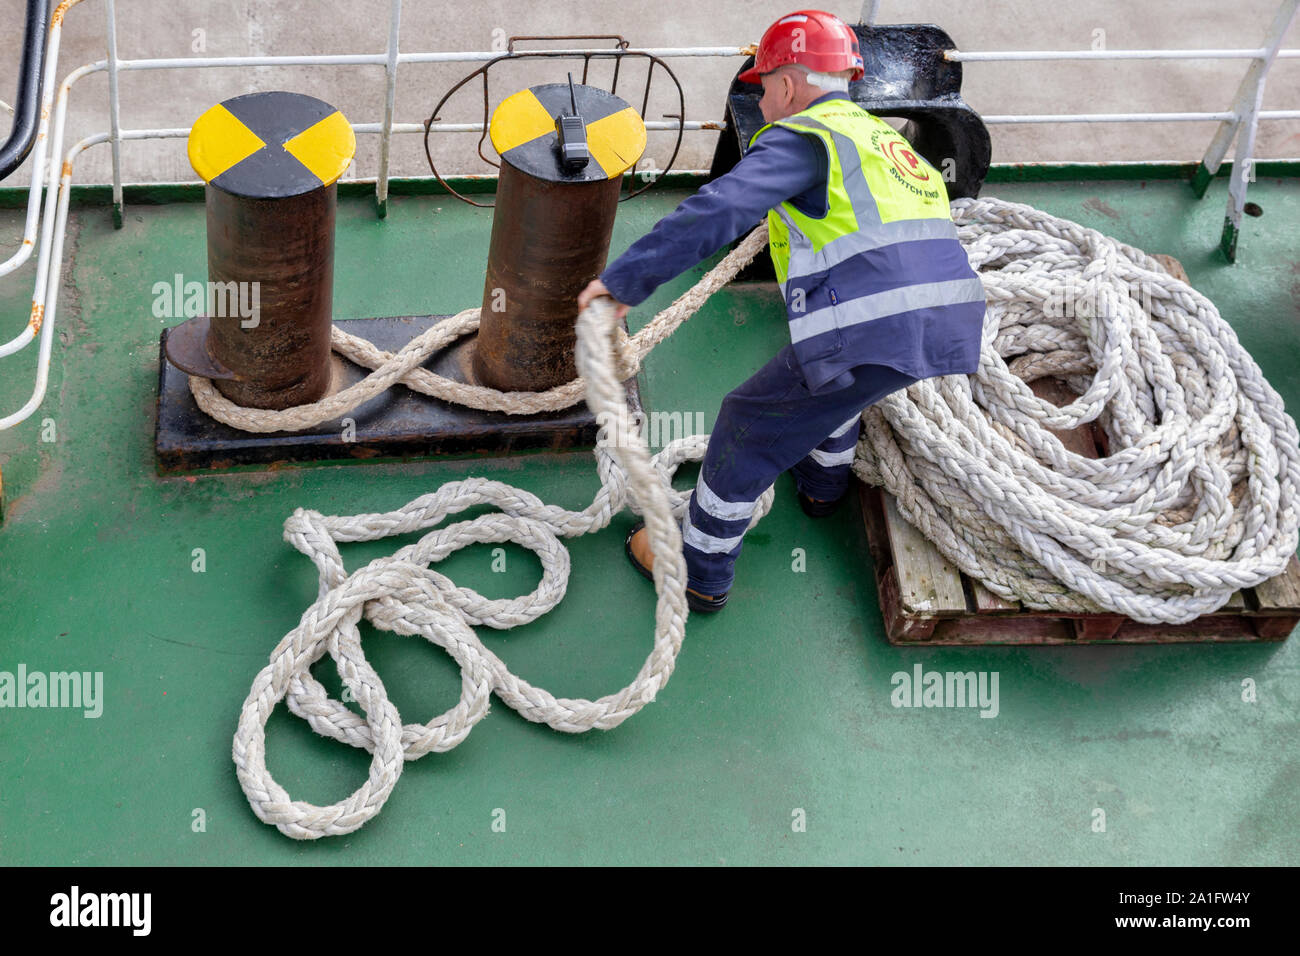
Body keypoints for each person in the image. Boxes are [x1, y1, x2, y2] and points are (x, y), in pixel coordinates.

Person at [578, 9, 986, 613]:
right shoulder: (885, 143)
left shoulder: (807, 136)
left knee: (748, 424)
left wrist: (621, 284)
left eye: (765, 88)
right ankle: (824, 487)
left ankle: (701, 567)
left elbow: (720, 208)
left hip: (872, 325)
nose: (763, 104)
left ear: (790, 85)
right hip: (945, 322)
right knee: (834, 384)